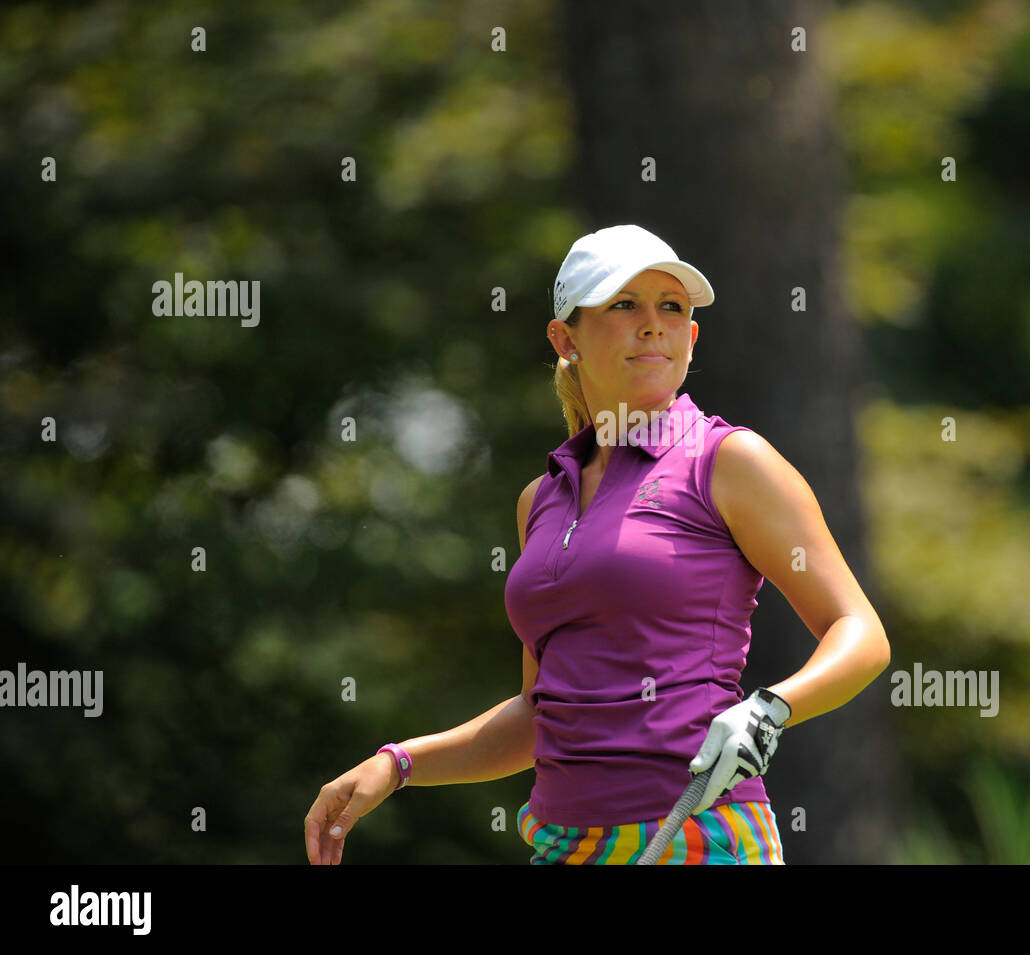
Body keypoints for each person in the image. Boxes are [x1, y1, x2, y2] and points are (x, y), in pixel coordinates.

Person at [305, 224, 890, 865]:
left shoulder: (729, 461)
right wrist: (400, 764)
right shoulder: (542, 501)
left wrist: (771, 709)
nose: (652, 325)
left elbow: (859, 631)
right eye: (622, 304)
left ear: (691, 338)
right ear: (565, 338)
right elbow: (539, 713)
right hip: (564, 845)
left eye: (671, 307)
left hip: (696, 836)